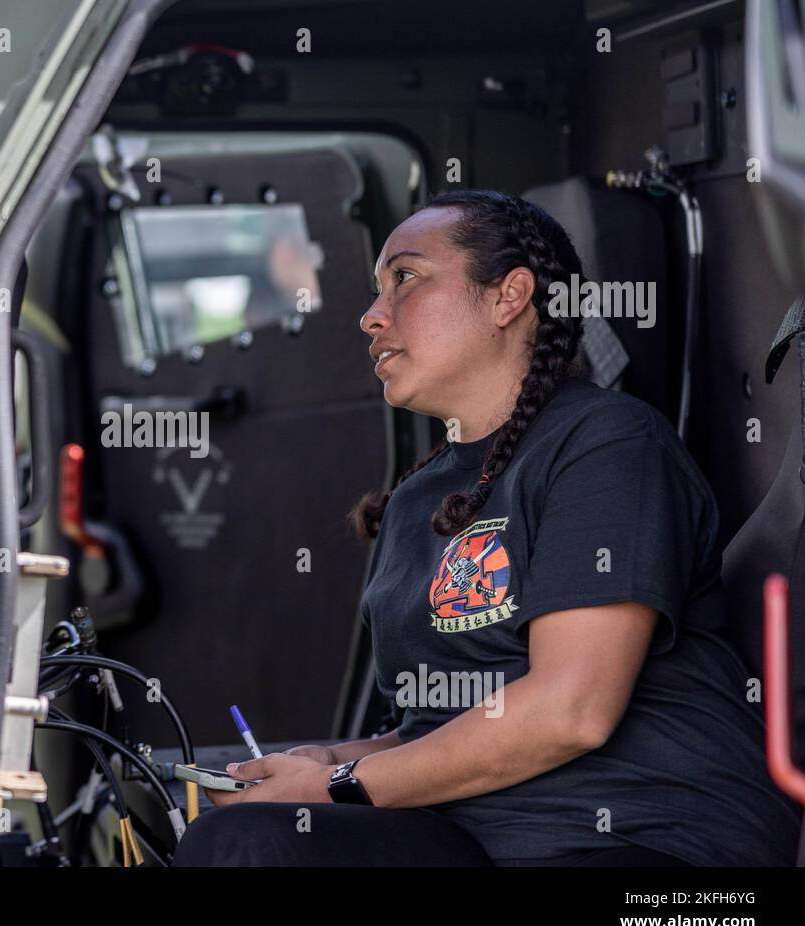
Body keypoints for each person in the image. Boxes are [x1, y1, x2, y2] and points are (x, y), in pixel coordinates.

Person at [172, 190, 802, 867]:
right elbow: (434, 731)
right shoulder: (419, 499)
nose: (371, 316)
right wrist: (325, 762)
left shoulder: (608, 445)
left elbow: (572, 709)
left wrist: (337, 783)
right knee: (242, 842)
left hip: (648, 844)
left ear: (508, 297)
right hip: (482, 840)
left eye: (405, 279)